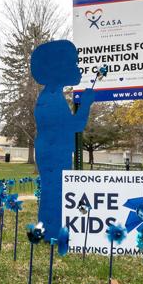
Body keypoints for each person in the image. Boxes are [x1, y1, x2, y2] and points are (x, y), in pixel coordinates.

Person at [31, 40, 95, 240]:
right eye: (74, 64)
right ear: (58, 68)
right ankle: (51, 231)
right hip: (53, 155)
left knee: (54, 191)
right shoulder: (50, 99)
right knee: (54, 191)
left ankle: (50, 228)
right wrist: (85, 104)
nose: (78, 69)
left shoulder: (53, 95)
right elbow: (74, 126)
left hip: (53, 152)